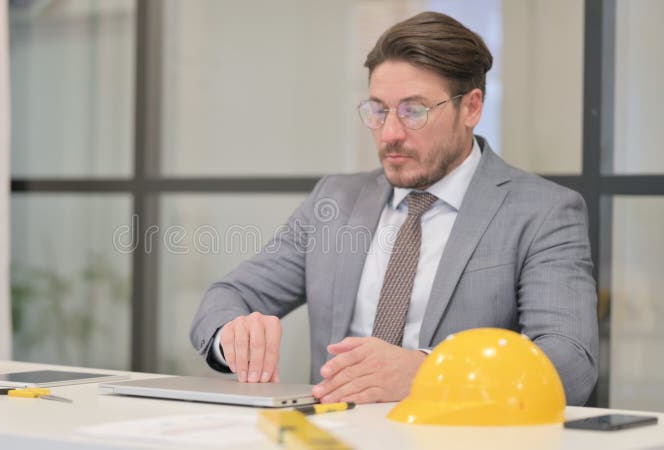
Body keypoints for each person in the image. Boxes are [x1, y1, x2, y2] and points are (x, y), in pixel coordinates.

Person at [189, 11, 598, 406]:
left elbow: (569, 361)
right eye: (378, 110)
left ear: (471, 107)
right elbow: (230, 295)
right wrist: (235, 335)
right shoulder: (335, 199)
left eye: (413, 111)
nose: (390, 133)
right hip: (332, 436)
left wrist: (430, 372)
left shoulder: (543, 211)